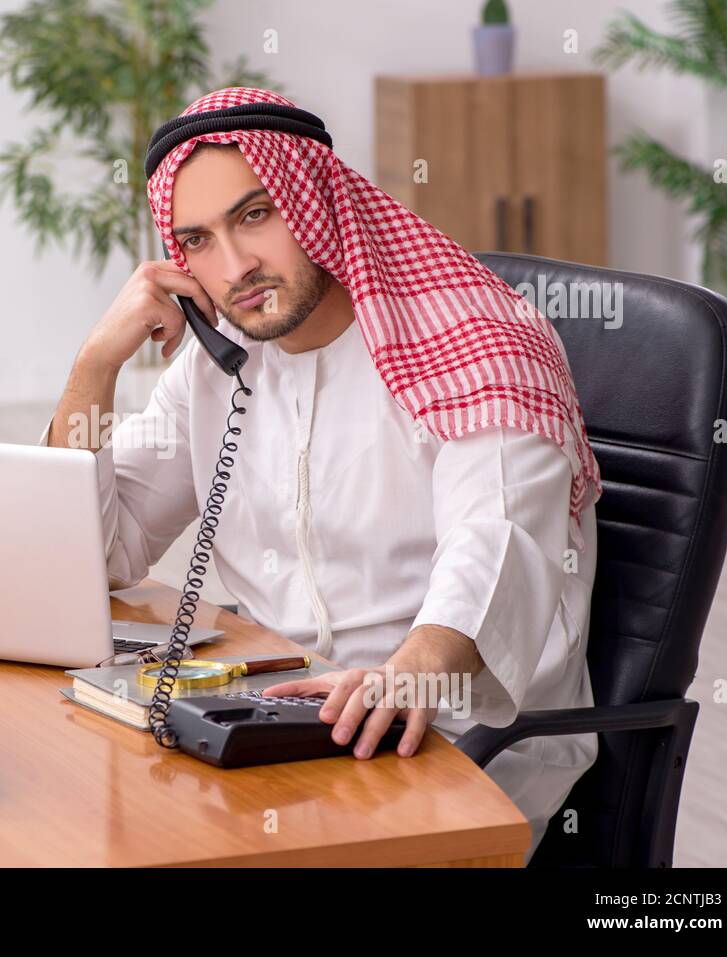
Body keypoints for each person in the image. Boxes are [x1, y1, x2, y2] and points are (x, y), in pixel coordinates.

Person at [42, 88, 602, 864]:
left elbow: (494, 549)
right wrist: (94, 364)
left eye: (255, 215)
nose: (236, 266)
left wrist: (404, 676)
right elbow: (97, 552)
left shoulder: (478, 344)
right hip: (276, 720)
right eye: (198, 240)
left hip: (453, 739)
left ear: (318, 199)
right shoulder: (220, 364)